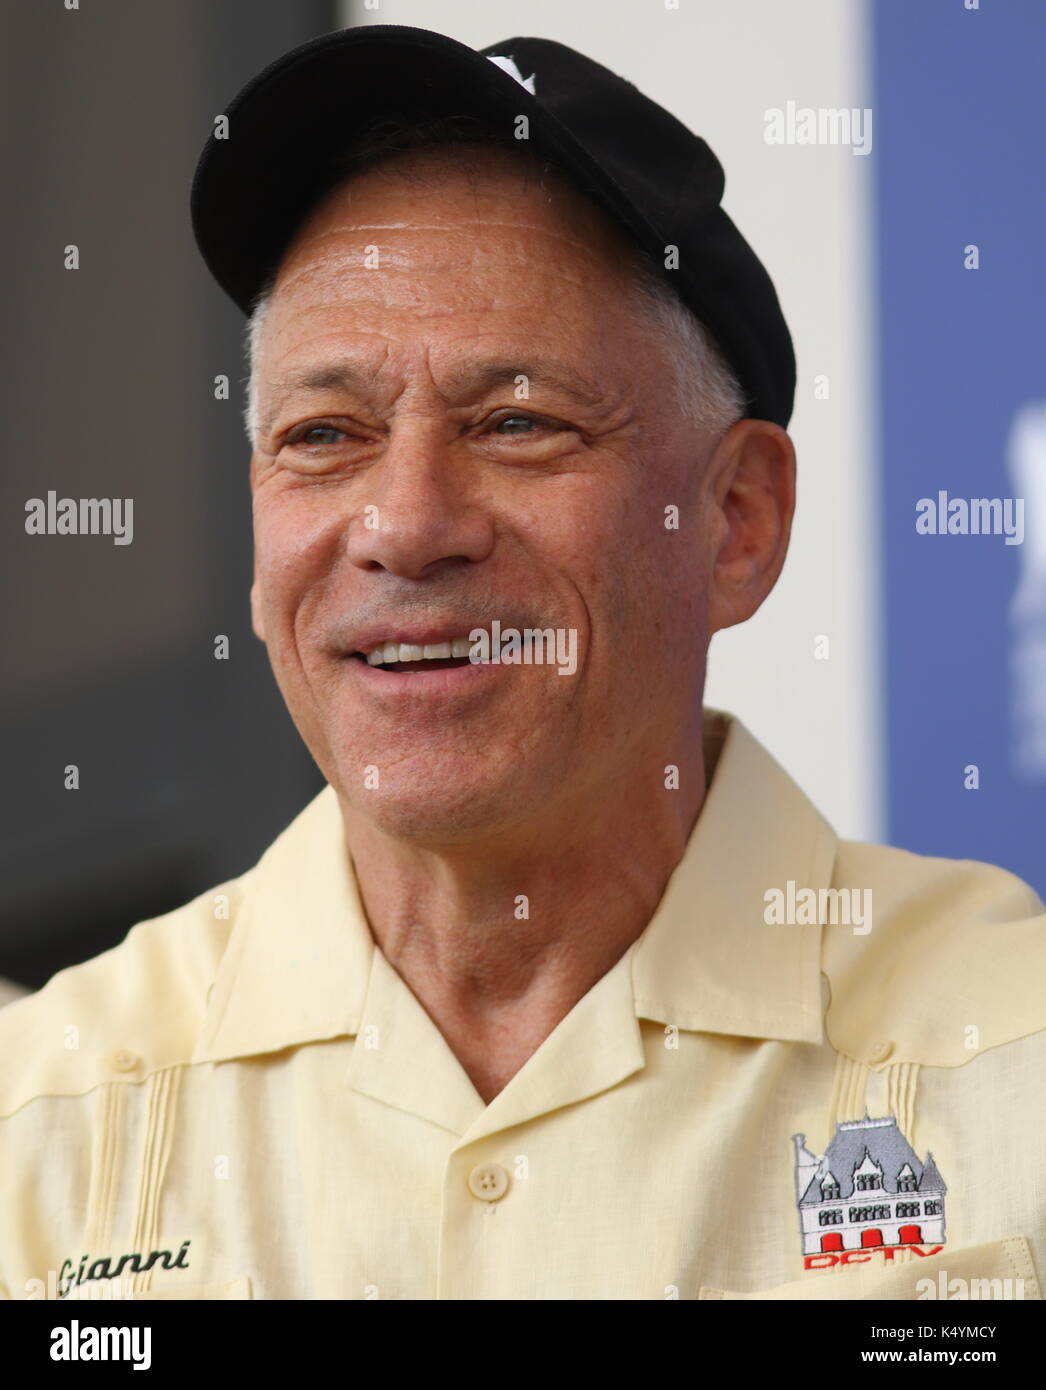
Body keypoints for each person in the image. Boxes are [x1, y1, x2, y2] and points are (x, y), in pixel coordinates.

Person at [1, 25, 1043, 1303]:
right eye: (323, 435)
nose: (403, 523)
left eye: (515, 422)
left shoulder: (1012, 1065)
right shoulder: (35, 1130)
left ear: (735, 522)